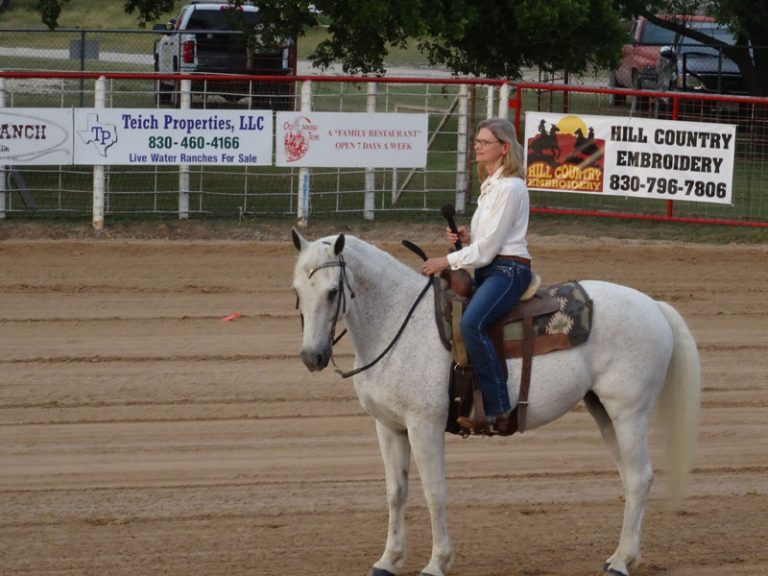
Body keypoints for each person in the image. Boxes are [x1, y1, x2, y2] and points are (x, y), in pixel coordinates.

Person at [420, 117, 532, 434]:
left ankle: (498, 409)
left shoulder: (509, 187)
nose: (478, 147)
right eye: (477, 142)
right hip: (494, 265)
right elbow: (487, 241)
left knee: (472, 323)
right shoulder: (493, 186)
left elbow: (491, 248)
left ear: (504, 148)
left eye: (485, 142)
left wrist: (446, 258)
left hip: (508, 270)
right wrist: (467, 238)